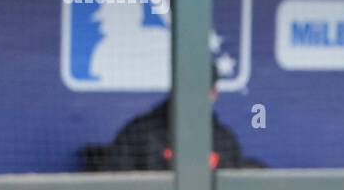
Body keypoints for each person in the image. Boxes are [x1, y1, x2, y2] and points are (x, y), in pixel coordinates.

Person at [83, 62, 265, 171]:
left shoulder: (224, 139)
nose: (193, 96)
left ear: (213, 93)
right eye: (187, 88)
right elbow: (116, 189)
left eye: (200, 89)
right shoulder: (139, 133)